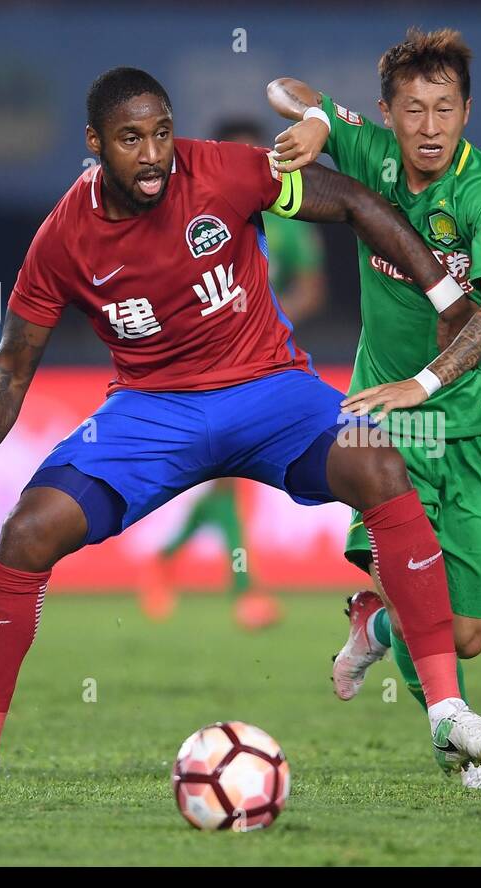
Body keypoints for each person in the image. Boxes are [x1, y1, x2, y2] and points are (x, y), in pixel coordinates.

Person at [0, 67, 481, 795]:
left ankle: (448, 714)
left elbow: (353, 198)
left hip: (270, 393)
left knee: (377, 464)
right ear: (95, 143)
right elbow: (11, 368)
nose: (154, 153)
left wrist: (445, 292)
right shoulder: (65, 237)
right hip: (154, 412)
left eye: (161, 132)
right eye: (131, 139)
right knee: (26, 533)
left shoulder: (224, 171)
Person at [267, 27, 481, 788]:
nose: (429, 127)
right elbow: (288, 87)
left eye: (445, 109)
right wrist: (317, 122)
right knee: (426, 599)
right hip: (386, 414)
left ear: (467, 113)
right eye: (412, 109)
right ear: (388, 112)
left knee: (467, 632)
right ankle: (462, 744)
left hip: (470, 413)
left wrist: (430, 381)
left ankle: (372, 622)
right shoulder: (371, 153)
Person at [139, 117, 330, 630]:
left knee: (225, 477)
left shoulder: (289, 218)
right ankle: (244, 591)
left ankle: (169, 560)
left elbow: (311, 289)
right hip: (202, 362)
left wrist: (266, 312)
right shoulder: (187, 213)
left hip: (266, 360)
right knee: (224, 476)